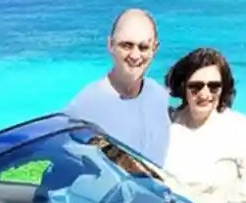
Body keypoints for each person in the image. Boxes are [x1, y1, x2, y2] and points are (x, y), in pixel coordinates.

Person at [63, 9, 171, 167]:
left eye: (143, 47)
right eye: (127, 45)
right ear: (110, 45)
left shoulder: (159, 96)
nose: (135, 56)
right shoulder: (86, 105)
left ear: (155, 49)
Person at [163, 47, 246, 203]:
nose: (205, 94)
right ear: (183, 87)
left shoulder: (239, 128)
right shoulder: (165, 125)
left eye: (214, 87)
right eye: (196, 87)